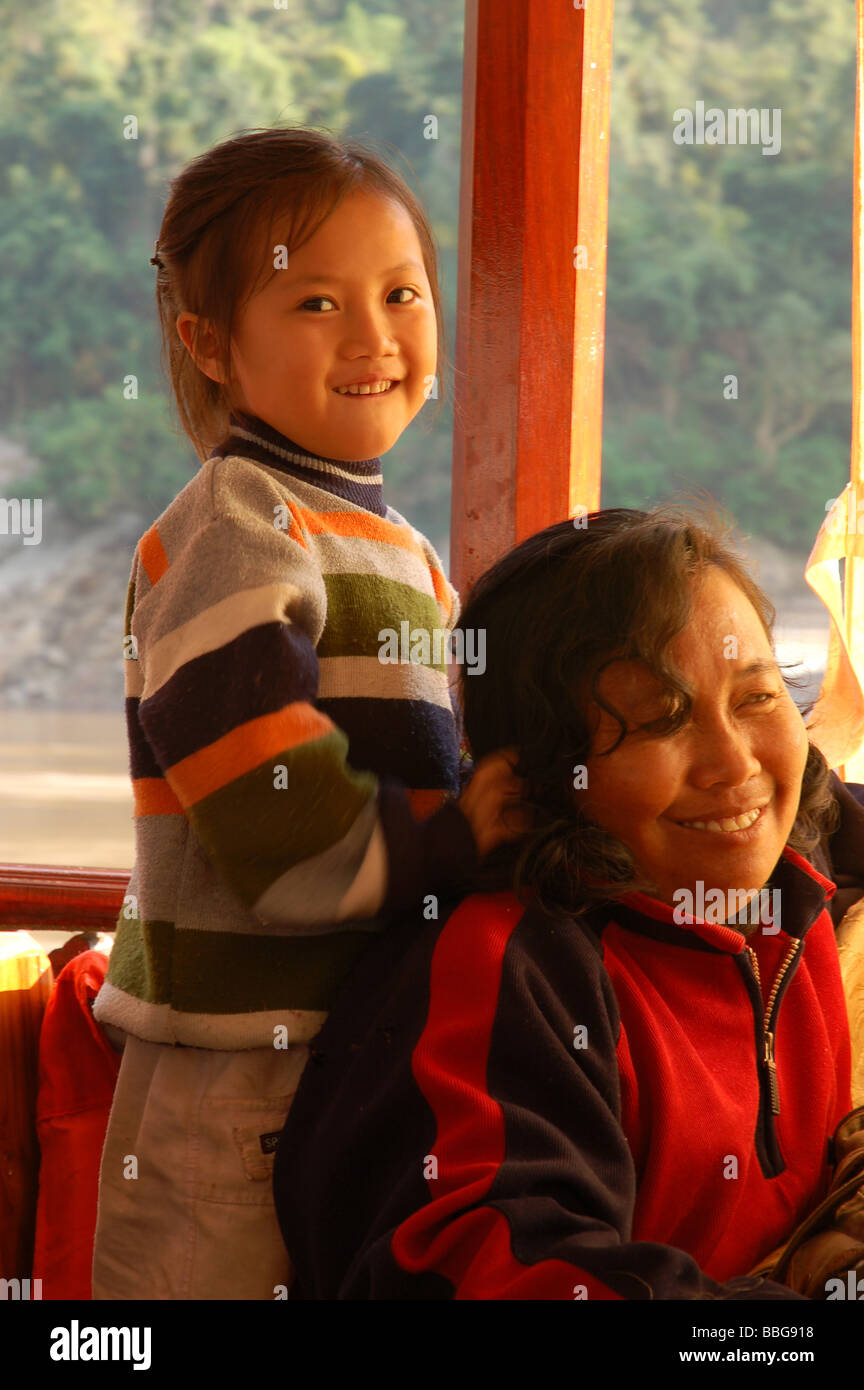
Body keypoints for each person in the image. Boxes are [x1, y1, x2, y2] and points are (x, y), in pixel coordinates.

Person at [90, 125, 525, 1300]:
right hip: (232, 1080)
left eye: (401, 293)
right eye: (318, 302)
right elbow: (270, 808)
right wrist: (456, 838)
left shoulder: (406, 554)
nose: (377, 335)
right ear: (210, 343)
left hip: (347, 1053)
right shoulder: (239, 527)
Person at [272, 504, 864, 1300]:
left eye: (757, 699)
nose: (736, 765)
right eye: (662, 721)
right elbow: (483, 1267)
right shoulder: (516, 968)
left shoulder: (796, 866)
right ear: (539, 780)